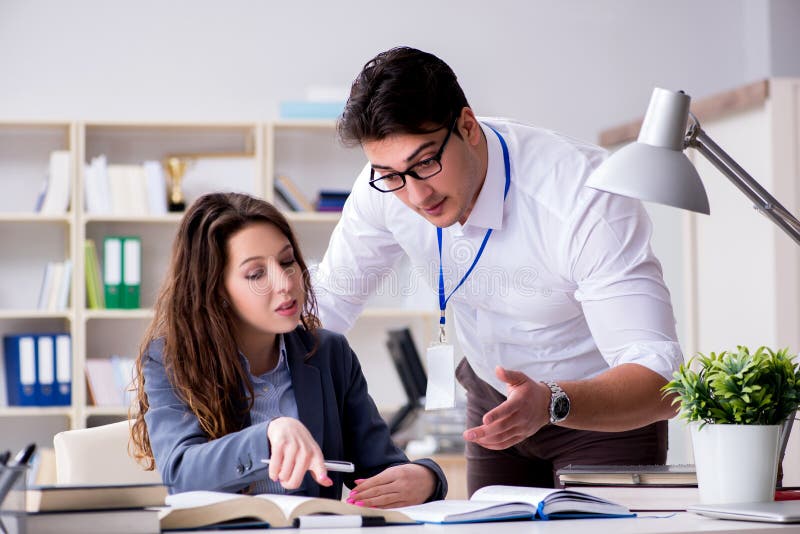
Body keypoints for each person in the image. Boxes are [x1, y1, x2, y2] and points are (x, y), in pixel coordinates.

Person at [314, 47, 683, 494]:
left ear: (467, 126)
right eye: (390, 174)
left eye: (426, 162)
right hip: (492, 400)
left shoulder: (583, 198)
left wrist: (551, 401)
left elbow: (661, 379)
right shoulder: (384, 185)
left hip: (598, 414)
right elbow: (328, 305)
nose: (414, 195)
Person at [130, 192, 447, 507]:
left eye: (287, 261)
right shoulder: (172, 360)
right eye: (256, 274)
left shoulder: (329, 353)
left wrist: (427, 477)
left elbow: (380, 467)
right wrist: (268, 436)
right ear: (215, 290)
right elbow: (181, 473)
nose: (285, 283)